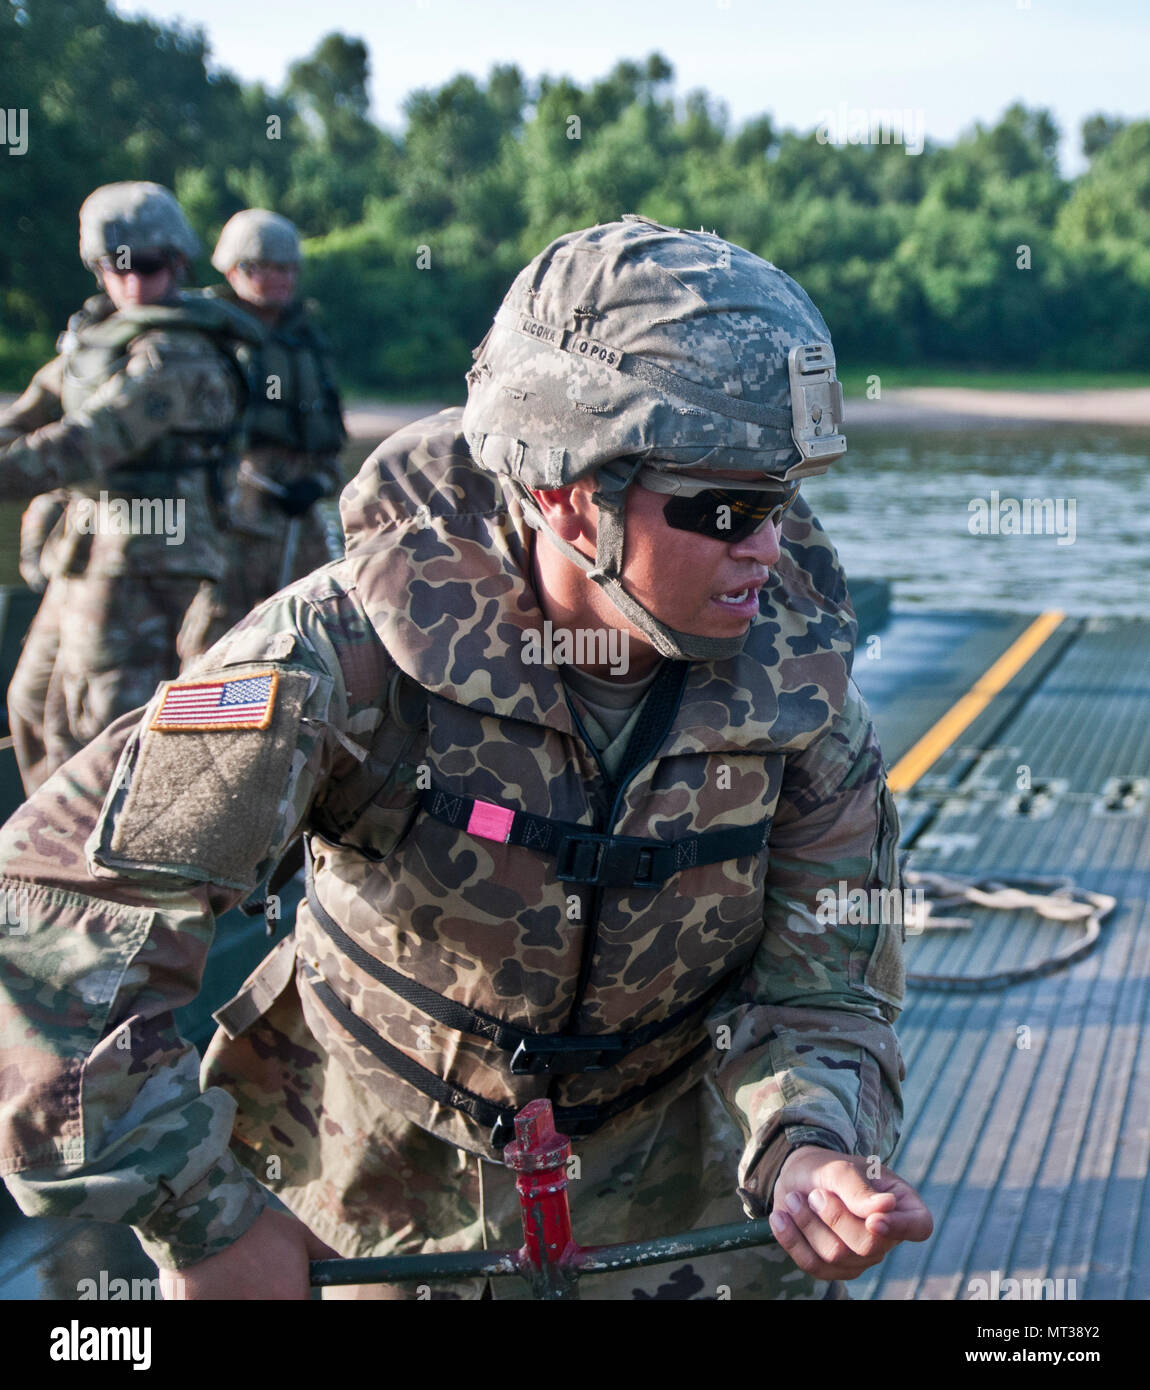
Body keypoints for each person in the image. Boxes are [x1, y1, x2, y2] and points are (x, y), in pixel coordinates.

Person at [0, 216, 931, 1300]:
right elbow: (46, 918)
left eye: (785, 498)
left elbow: (829, 992)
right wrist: (203, 1218)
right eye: (725, 505)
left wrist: (809, 1144)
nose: (768, 547)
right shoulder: (340, 657)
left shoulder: (803, 697)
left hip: (677, 1207)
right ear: (565, 497)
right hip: (365, 1199)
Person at [0, 181, 264, 792]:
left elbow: (83, 444)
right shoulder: (97, 341)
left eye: (148, 266)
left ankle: (116, 871)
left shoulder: (177, 355)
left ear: (177, 262)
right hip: (86, 547)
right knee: (33, 702)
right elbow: (30, 415)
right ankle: (52, 846)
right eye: (114, 267)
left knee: (104, 722)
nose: (133, 283)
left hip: (149, 556)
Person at [189, 208, 345, 646]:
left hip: (301, 517)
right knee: (214, 636)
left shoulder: (307, 340)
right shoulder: (205, 337)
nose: (282, 278)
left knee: (310, 631)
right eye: (267, 267)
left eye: (289, 268)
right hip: (233, 517)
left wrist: (319, 482)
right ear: (234, 270)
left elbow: (328, 434)